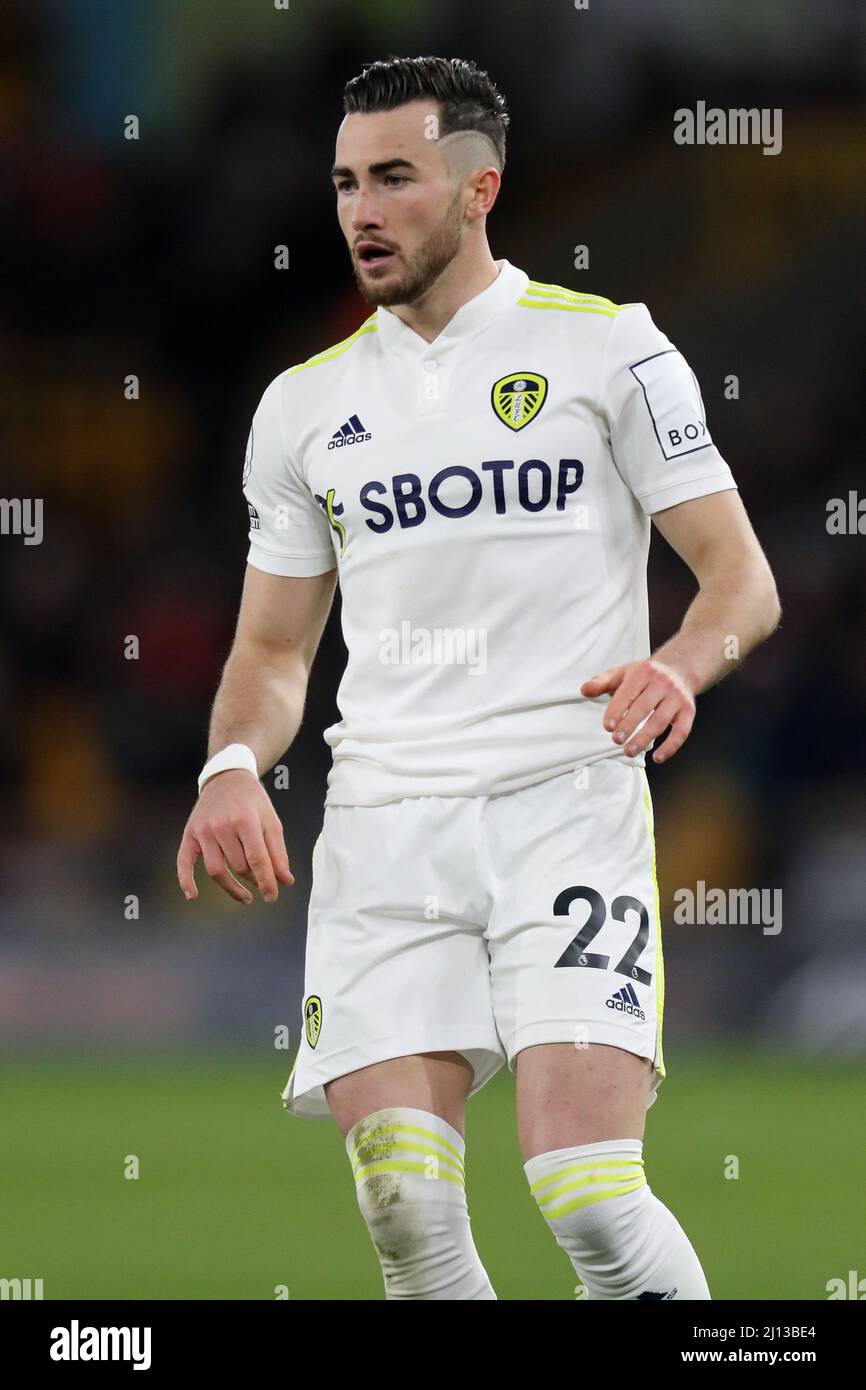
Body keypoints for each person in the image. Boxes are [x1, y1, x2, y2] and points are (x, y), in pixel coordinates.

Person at [176, 55, 780, 1300]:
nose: (360, 209)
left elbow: (739, 582)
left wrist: (676, 666)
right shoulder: (303, 408)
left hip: (562, 803)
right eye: (345, 181)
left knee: (592, 1202)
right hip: (385, 829)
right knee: (404, 1207)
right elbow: (272, 650)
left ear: (477, 188)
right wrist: (232, 763)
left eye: (393, 177)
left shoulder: (608, 351)